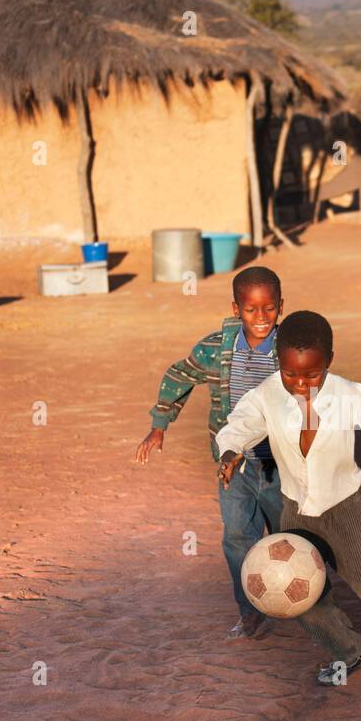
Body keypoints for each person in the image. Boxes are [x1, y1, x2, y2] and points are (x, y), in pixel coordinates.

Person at [215, 310, 361, 686]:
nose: (300, 383)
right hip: (296, 510)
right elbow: (242, 423)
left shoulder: (348, 394)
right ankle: (350, 651)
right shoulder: (267, 394)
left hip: (343, 506)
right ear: (278, 361)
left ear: (328, 362)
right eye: (290, 373)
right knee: (300, 594)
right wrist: (230, 452)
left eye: (311, 374)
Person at [136, 266, 284, 638]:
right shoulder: (216, 348)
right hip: (232, 462)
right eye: (252, 310)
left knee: (289, 535)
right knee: (237, 536)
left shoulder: (292, 349)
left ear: (281, 306)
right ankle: (250, 611)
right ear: (237, 308)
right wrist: (159, 425)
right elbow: (179, 375)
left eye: (269, 308)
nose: (261, 318)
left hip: (280, 462)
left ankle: (301, 600)